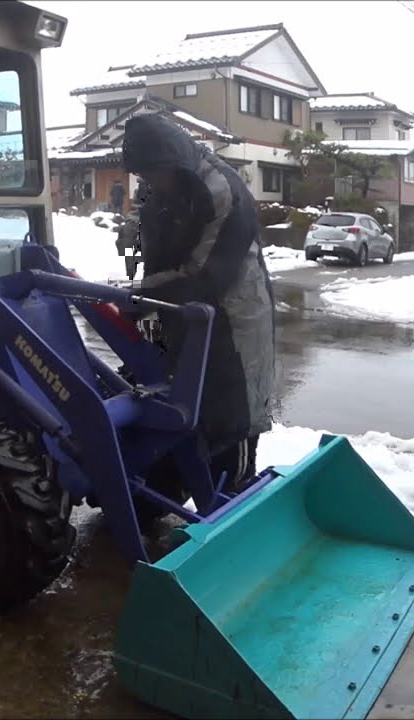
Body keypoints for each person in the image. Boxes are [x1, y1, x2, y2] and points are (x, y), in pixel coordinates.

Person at [120, 114, 275, 493]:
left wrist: (140, 294)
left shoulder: (222, 189)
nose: (150, 182)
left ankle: (231, 499)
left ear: (174, 162)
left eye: (155, 173)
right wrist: (132, 240)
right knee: (174, 403)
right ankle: (158, 496)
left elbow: (205, 273)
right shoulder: (158, 186)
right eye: (144, 175)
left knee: (230, 414)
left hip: (233, 314)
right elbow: (147, 225)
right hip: (177, 311)